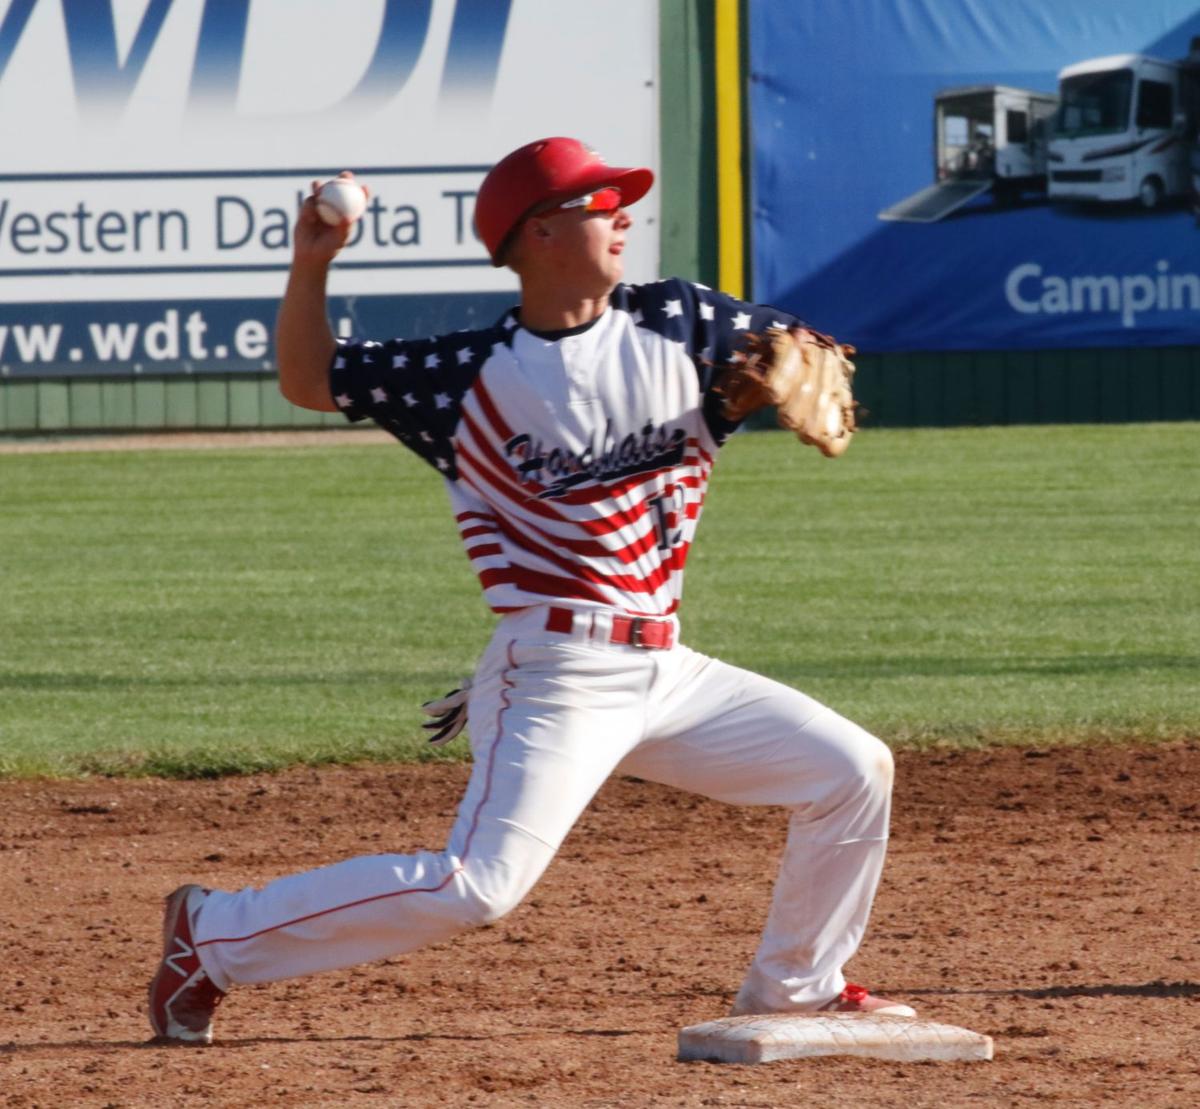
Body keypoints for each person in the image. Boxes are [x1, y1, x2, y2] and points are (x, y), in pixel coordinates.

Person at [148, 137, 913, 1044]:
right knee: (479, 885)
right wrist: (311, 265)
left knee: (851, 771)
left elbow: (804, 349)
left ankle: (797, 985)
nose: (623, 216)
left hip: (666, 667)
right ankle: (215, 933)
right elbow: (310, 379)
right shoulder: (464, 377)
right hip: (553, 672)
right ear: (541, 232)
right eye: (601, 205)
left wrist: (796, 355)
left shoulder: (680, 320)